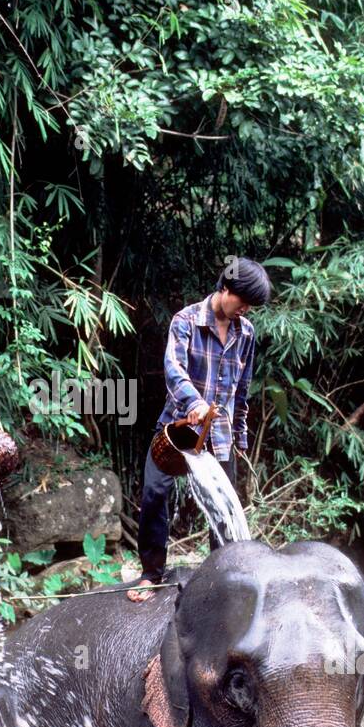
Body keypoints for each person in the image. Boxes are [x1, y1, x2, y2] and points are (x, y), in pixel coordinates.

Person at [128, 257, 272, 602]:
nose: (246, 309)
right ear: (226, 288)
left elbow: (242, 388)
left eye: (252, 305)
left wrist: (240, 436)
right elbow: (173, 369)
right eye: (243, 301)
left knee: (223, 507)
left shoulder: (246, 332)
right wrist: (195, 403)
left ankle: (220, 577)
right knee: (154, 493)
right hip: (177, 428)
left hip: (219, 434)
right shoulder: (186, 321)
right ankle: (150, 574)